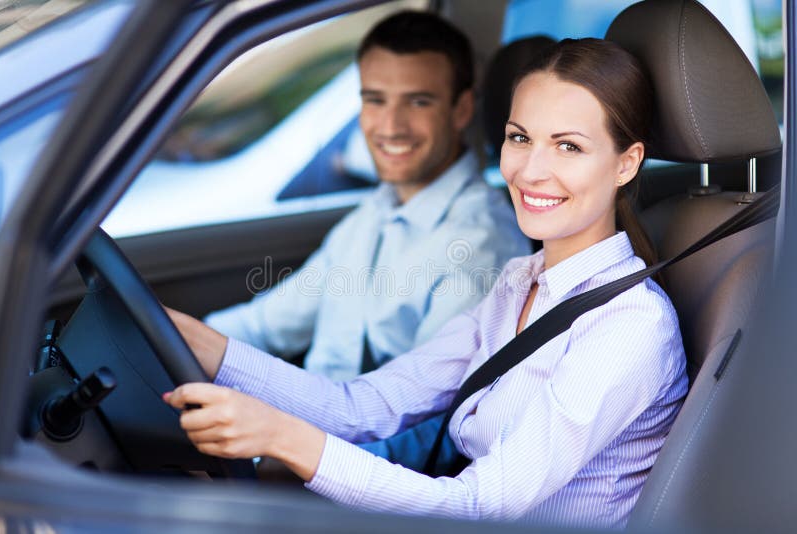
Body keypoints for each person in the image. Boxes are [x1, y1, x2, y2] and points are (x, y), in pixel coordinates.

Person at [164, 38, 688, 528]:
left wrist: (285, 439)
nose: (530, 170)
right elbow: (365, 408)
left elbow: (479, 508)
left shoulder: (631, 326)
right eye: (519, 138)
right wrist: (206, 346)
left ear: (626, 163)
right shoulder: (517, 283)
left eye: (568, 147)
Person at [202, 11, 529, 382]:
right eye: (375, 100)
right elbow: (264, 327)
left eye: (418, 102)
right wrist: (176, 336)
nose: (390, 127)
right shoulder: (374, 213)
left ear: (462, 110)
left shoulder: (481, 246)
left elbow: (414, 417)